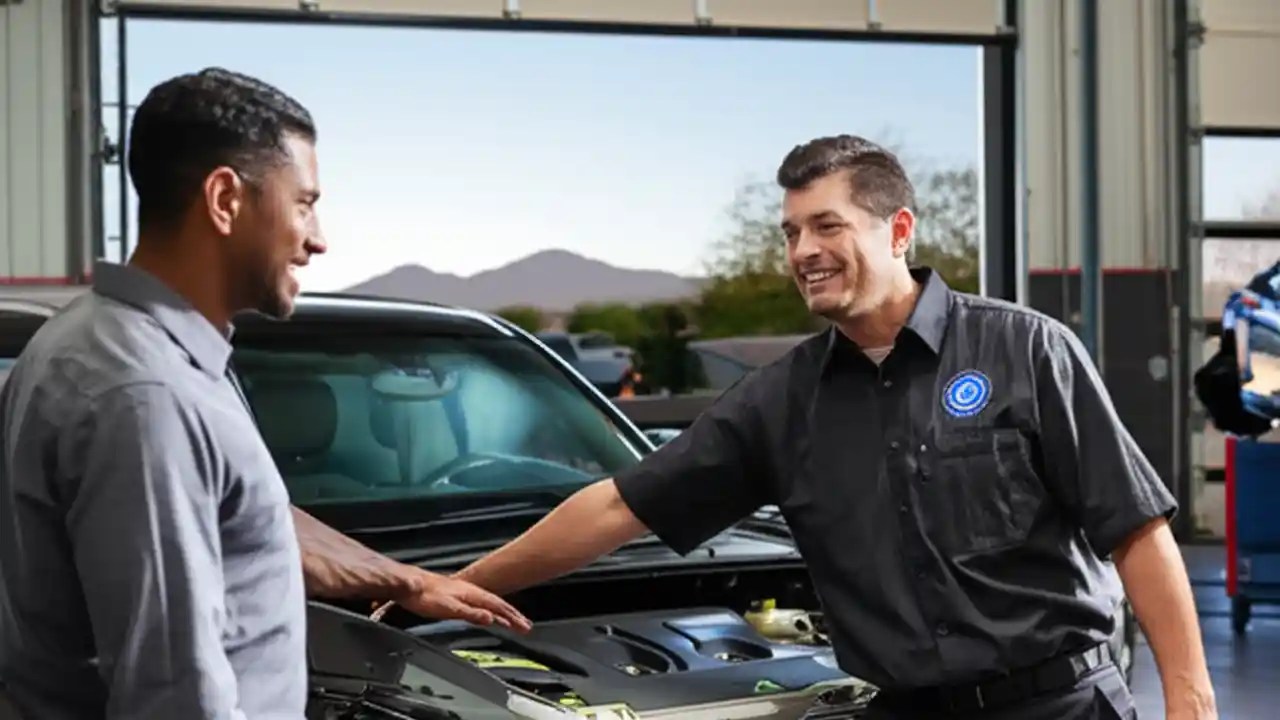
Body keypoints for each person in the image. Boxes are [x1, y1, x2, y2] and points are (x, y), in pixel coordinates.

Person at [454, 135, 1217, 719]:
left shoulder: (1025, 349)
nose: (804, 252)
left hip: (1062, 705)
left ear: (899, 230)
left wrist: (1190, 701)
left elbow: (1136, 533)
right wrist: (455, 586)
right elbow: (620, 506)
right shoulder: (779, 401)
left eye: (826, 225)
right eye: (790, 233)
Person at [0, 67, 524, 720]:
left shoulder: (108, 343)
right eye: (303, 203)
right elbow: (174, 697)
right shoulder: (147, 396)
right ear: (225, 199)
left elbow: (245, 515)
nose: (318, 238)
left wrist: (408, 579)